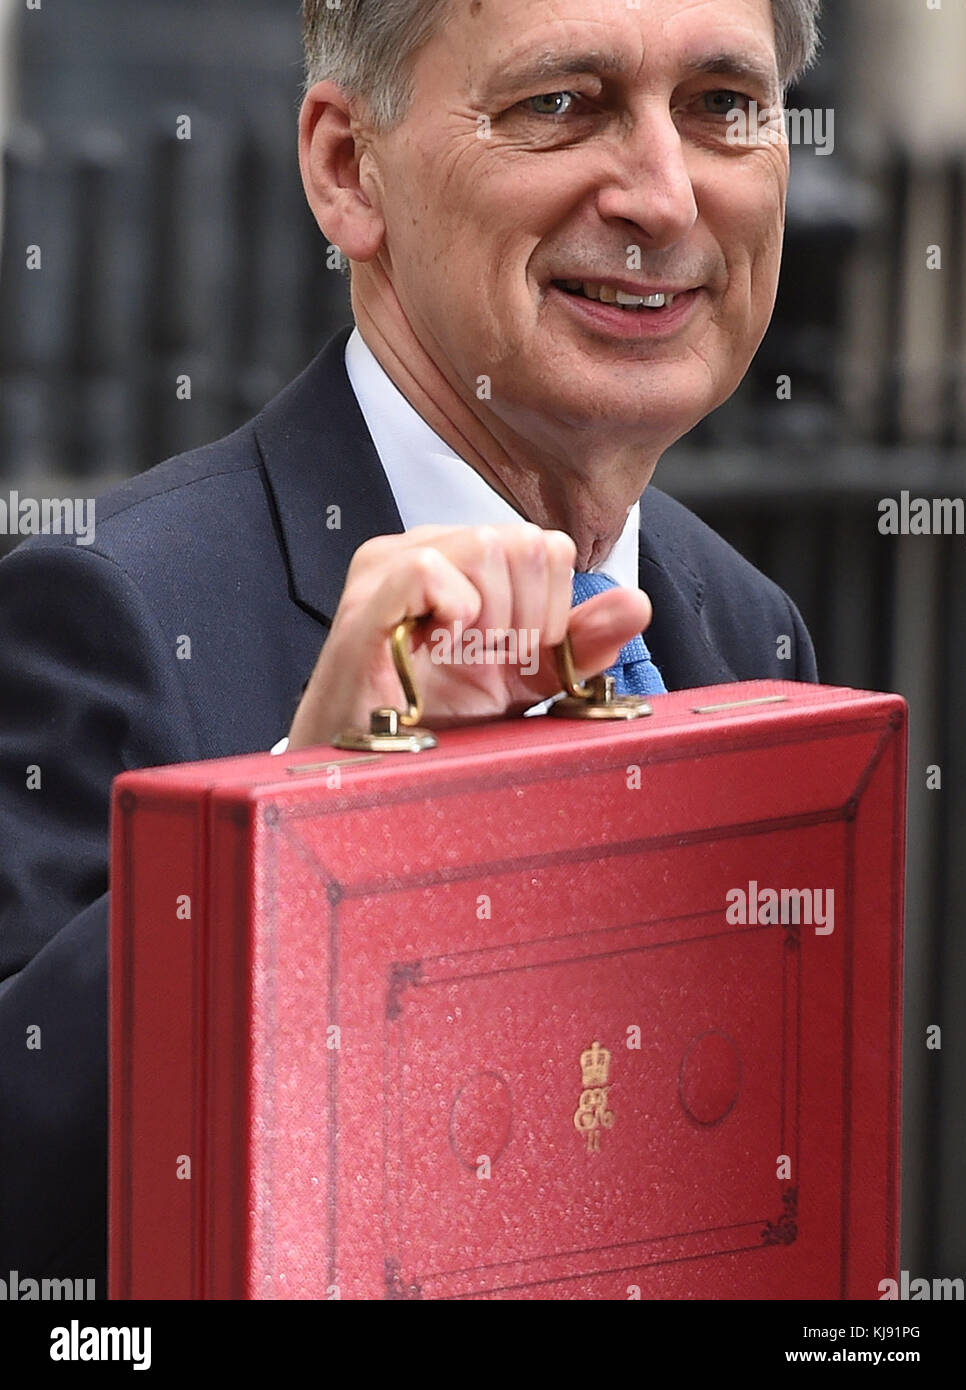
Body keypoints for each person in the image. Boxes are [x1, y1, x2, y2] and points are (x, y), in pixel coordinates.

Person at [0, 0, 820, 1295]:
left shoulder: (746, 620)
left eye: (722, 107)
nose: (664, 196)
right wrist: (298, 813)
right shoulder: (113, 609)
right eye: (562, 103)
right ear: (345, 167)